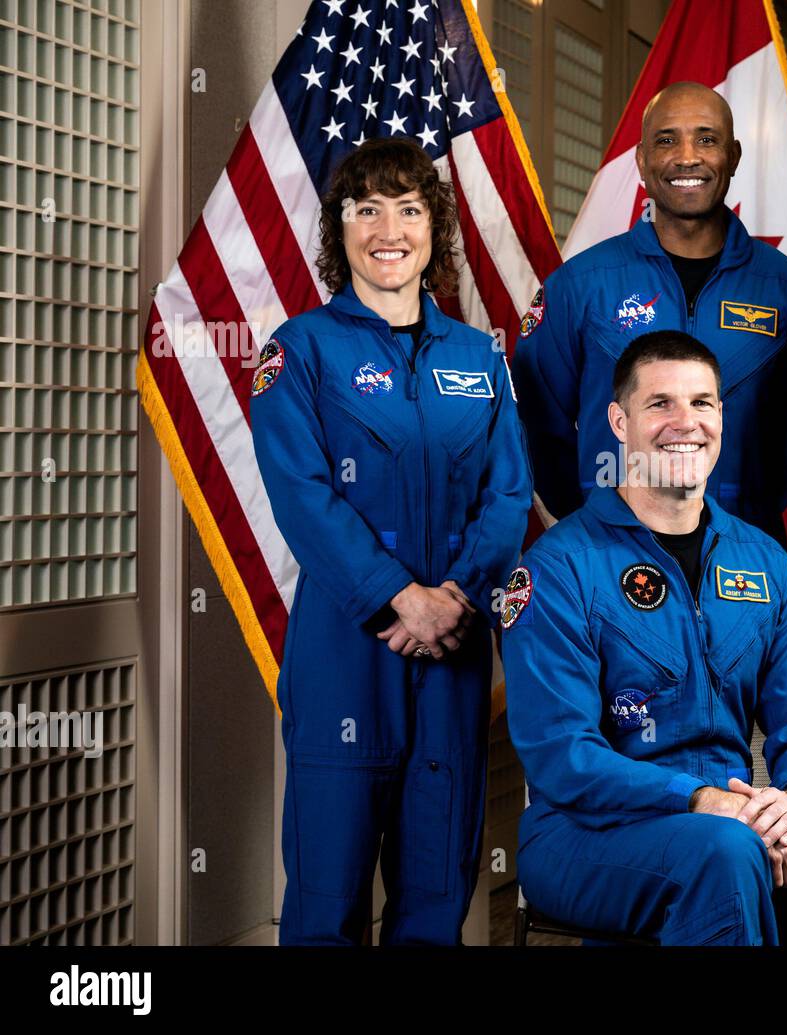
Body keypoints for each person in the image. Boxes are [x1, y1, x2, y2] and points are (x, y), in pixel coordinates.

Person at [501, 332, 787, 945]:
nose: (685, 423)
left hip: (735, 821)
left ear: (721, 417)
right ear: (619, 422)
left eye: (702, 404)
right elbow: (564, 757)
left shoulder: (763, 562)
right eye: (660, 405)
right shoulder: (559, 567)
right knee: (724, 852)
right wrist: (698, 799)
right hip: (584, 832)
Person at [250, 136, 532, 945]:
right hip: (345, 653)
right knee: (327, 901)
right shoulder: (297, 352)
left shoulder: (480, 357)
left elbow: (509, 492)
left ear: (433, 228)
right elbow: (303, 498)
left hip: (455, 654)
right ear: (338, 229)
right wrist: (398, 599)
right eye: (365, 207)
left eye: (408, 209)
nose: (388, 228)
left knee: (437, 894)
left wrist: (455, 600)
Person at [512, 81, 787, 542]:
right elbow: (535, 424)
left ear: (733, 157)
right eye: (667, 140)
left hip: (744, 558)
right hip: (608, 554)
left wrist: (747, 514)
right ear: (641, 160)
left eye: (707, 139)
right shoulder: (579, 286)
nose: (687, 157)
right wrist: (597, 518)